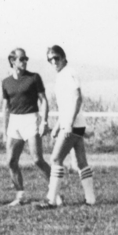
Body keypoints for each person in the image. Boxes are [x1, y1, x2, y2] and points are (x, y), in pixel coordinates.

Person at [40, 44, 96, 208]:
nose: (53, 62)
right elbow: (66, 105)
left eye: (56, 58)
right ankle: (91, 199)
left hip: (72, 126)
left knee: (55, 159)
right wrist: (58, 125)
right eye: (50, 59)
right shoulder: (61, 76)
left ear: (64, 58)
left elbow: (77, 98)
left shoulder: (69, 73)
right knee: (81, 162)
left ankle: (51, 200)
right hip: (74, 125)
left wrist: (69, 124)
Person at [0, 48, 52, 207]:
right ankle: (20, 196)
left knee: (37, 159)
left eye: (26, 58)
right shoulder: (6, 82)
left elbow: (44, 100)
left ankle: (54, 192)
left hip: (31, 119)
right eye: (22, 59)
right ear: (12, 61)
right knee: (11, 161)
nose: (25, 61)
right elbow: (5, 108)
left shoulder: (34, 78)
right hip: (14, 122)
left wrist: (44, 121)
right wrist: (4, 131)